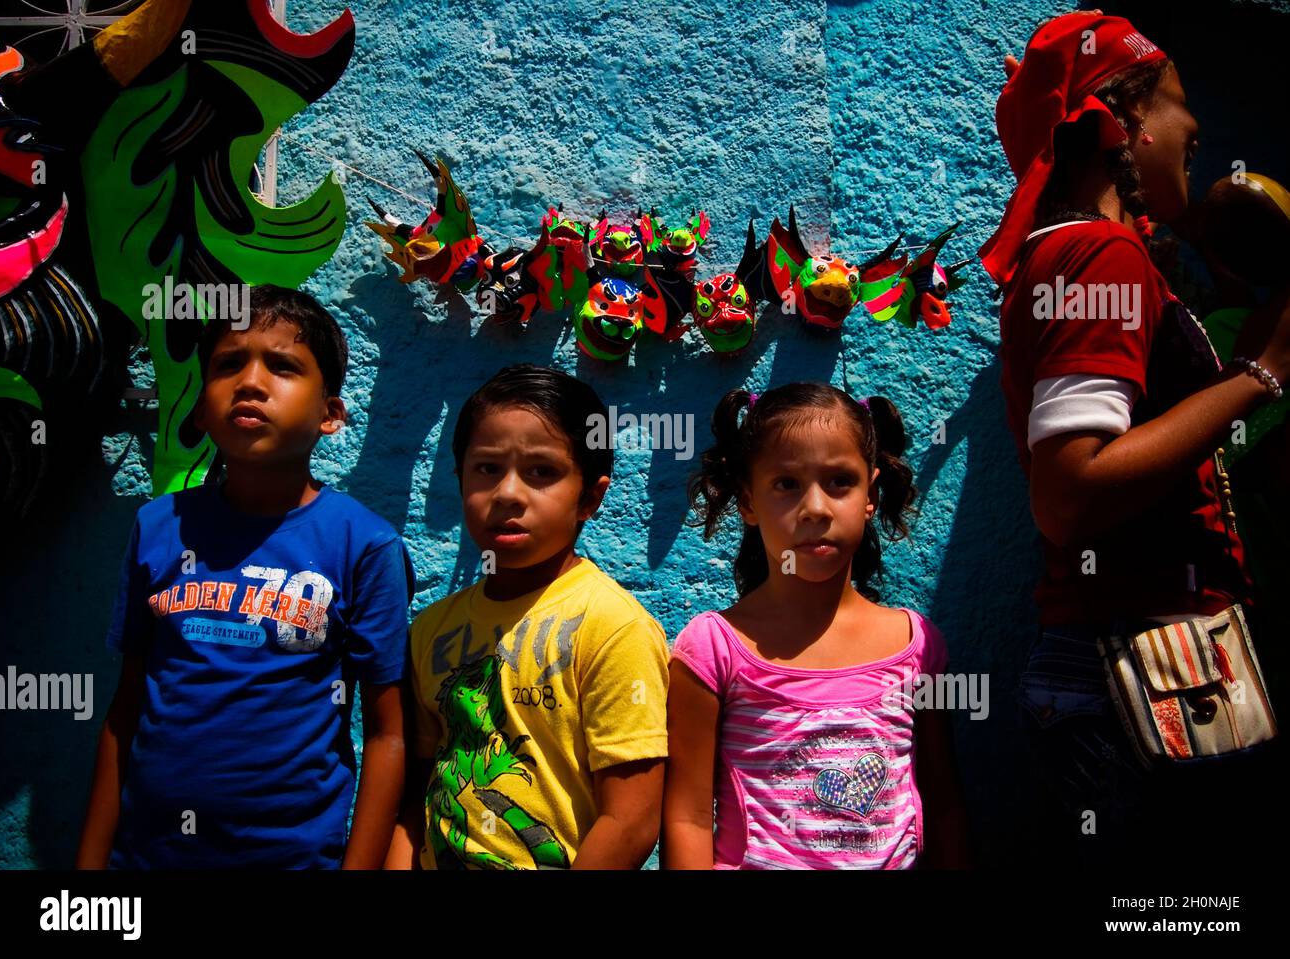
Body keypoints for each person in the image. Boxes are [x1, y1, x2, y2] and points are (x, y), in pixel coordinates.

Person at [981, 11, 1290, 864]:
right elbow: (1070, 496)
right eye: (1181, 104)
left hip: (1130, 671)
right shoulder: (1099, 256)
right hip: (1138, 680)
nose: (1199, 132)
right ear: (1124, 123)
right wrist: (1261, 373)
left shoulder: (1090, 252)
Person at [77, 284, 413, 869]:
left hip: (294, 858)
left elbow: (389, 735)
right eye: (229, 364)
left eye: (283, 366)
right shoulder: (159, 527)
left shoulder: (363, 545)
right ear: (202, 408)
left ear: (331, 413)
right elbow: (125, 708)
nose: (251, 382)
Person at [662, 384, 969, 869]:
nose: (816, 509)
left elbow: (944, 805)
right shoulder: (714, 648)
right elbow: (689, 817)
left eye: (840, 482)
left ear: (871, 494)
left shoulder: (917, 646)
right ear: (747, 501)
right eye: (786, 484)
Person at [388, 364, 668, 870]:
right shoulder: (431, 629)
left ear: (590, 497)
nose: (509, 494)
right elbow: (414, 801)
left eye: (542, 472)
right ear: (459, 479)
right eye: (487, 468)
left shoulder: (613, 627)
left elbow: (631, 820)